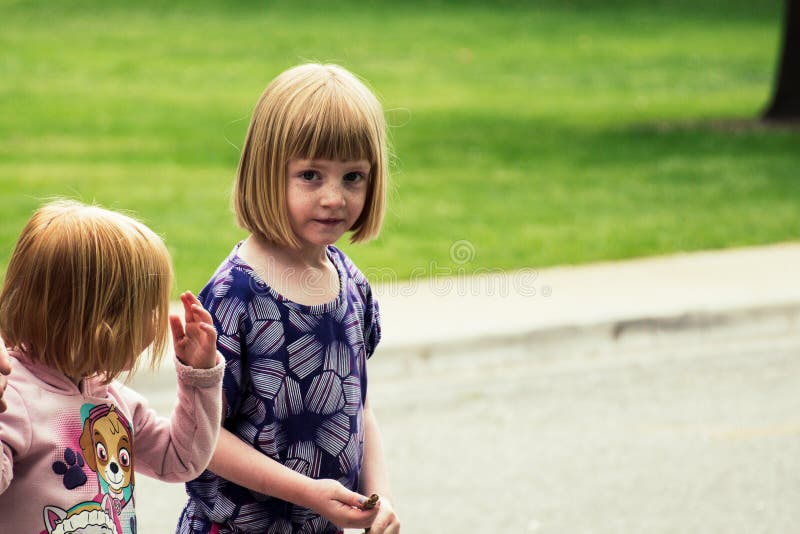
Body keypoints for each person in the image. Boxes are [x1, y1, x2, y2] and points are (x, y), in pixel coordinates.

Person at [178, 63, 400, 534]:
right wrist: (308, 493)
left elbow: (358, 407)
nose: (334, 198)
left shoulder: (350, 283)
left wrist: (378, 496)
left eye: (353, 177)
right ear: (266, 173)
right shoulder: (236, 295)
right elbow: (203, 437)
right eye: (311, 175)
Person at [0, 200, 225, 534]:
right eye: (147, 309)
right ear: (101, 319)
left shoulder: (114, 400)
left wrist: (199, 378)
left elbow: (180, 460)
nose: (156, 322)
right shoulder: (14, 398)